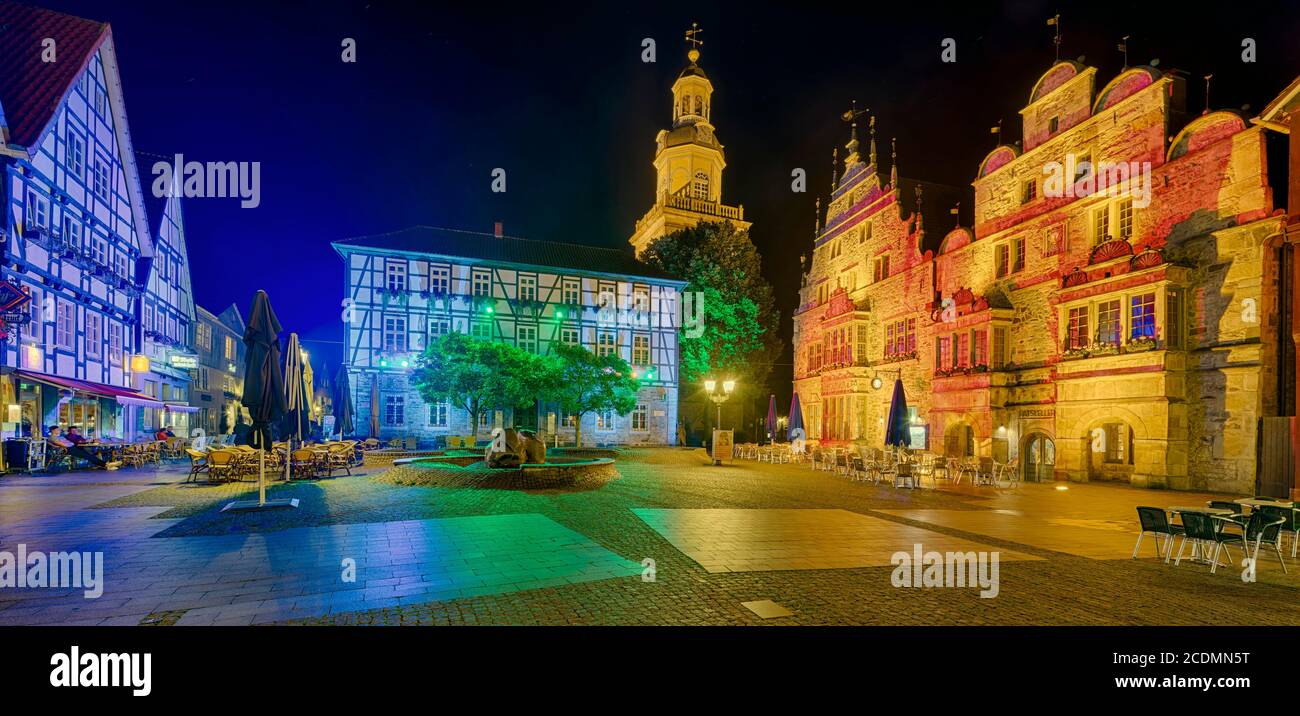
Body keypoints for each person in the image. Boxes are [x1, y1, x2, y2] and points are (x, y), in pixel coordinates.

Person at [48, 426, 120, 470]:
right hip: (68, 449)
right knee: (87, 456)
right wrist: (67, 444)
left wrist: (69, 443)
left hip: (72, 447)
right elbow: (61, 444)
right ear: (53, 430)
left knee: (89, 455)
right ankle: (106, 464)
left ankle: (106, 465)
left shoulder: (60, 436)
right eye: (58, 429)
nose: (59, 430)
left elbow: (67, 442)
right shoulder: (53, 437)